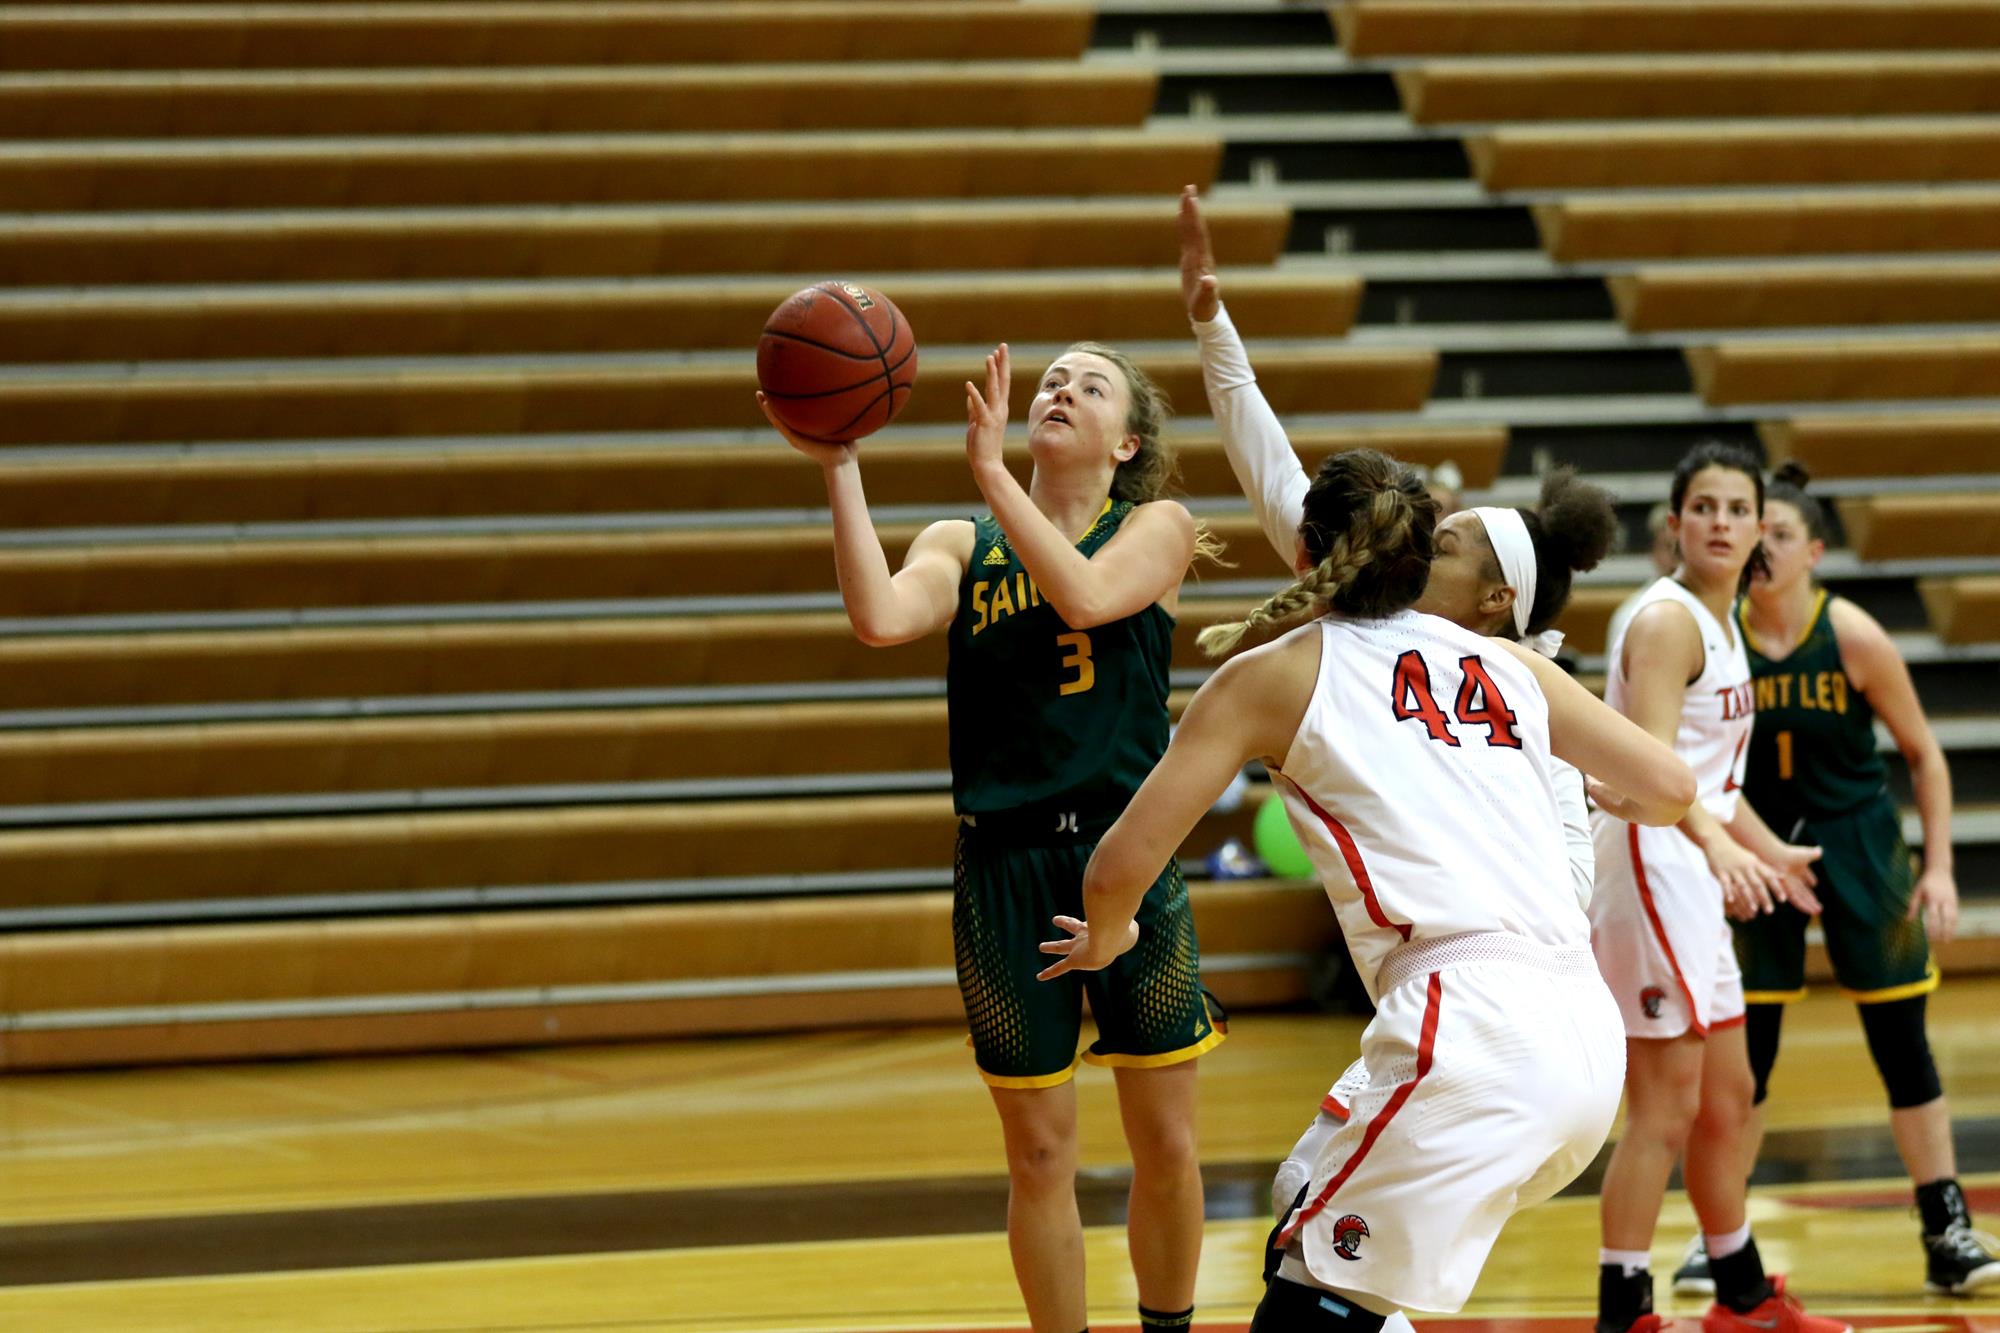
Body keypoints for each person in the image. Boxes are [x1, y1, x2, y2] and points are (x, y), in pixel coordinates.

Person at [1039, 445, 1698, 1330]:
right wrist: (1605, 799)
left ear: (1305, 555)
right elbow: (1672, 788)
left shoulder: (1272, 674)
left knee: (1313, 1298)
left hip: (1469, 1028)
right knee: (1308, 1196)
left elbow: (1116, 867)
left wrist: (1109, 932)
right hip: (1587, 1032)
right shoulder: (1514, 666)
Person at [760, 340, 1223, 1333]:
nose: (1061, 390)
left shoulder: (1157, 526)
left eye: (1090, 386)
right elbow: (880, 617)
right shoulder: (964, 543)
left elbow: (1085, 597)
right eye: (1052, 378)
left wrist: (990, 475)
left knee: (1166, 1140)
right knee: (1039, 1152)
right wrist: (840, 463)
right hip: (1004, 867)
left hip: (1126, 861)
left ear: (1127, 441)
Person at [1175, 185, 1615, 1226]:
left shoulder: (1527, 701)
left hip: (1507, 1023)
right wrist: (1211, 324)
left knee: (1326, 1220)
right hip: (1491, 1023)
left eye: (1447, 542)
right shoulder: (1380, 622)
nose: (1424, 538)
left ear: (1496, 601)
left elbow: (1580, 868)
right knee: (1312, 1201)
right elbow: (1278, 479)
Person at [1692, 461, 1997, 1295]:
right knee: (1746, 1054)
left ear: (1815, 552)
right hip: (1758, 850)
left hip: (1859, 843)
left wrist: (1940, 868)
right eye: (1757, 532)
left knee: (1902, 1042)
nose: (1763, 547)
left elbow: (1926, 756)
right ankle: (1721, 1234)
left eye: (1780, 534)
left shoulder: (1852, 633)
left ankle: (1946, 1228)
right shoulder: (1716, 635)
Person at [1587, 442, 1845, 1333]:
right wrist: (1718, 849)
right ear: (1675, 524)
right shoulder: (1668, 622)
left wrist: (1767, 851)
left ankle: (1741, 1295)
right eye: (1704, 507)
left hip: (1693, 860)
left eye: (1738, 509)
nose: (1722, 523)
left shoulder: (1723, 619)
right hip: (1651, 863)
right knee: (1665, 1108)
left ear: (1761, 526)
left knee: (1729, 1100)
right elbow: (1655, 778)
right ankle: (1624, 1309)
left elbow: (1713, 781)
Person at [1606, 502, 1680, 650]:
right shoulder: (1630, 614)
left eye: (1681, 547)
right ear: (1653, 552)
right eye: (1668, 546)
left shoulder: (1720, 608)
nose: (1676, 557)